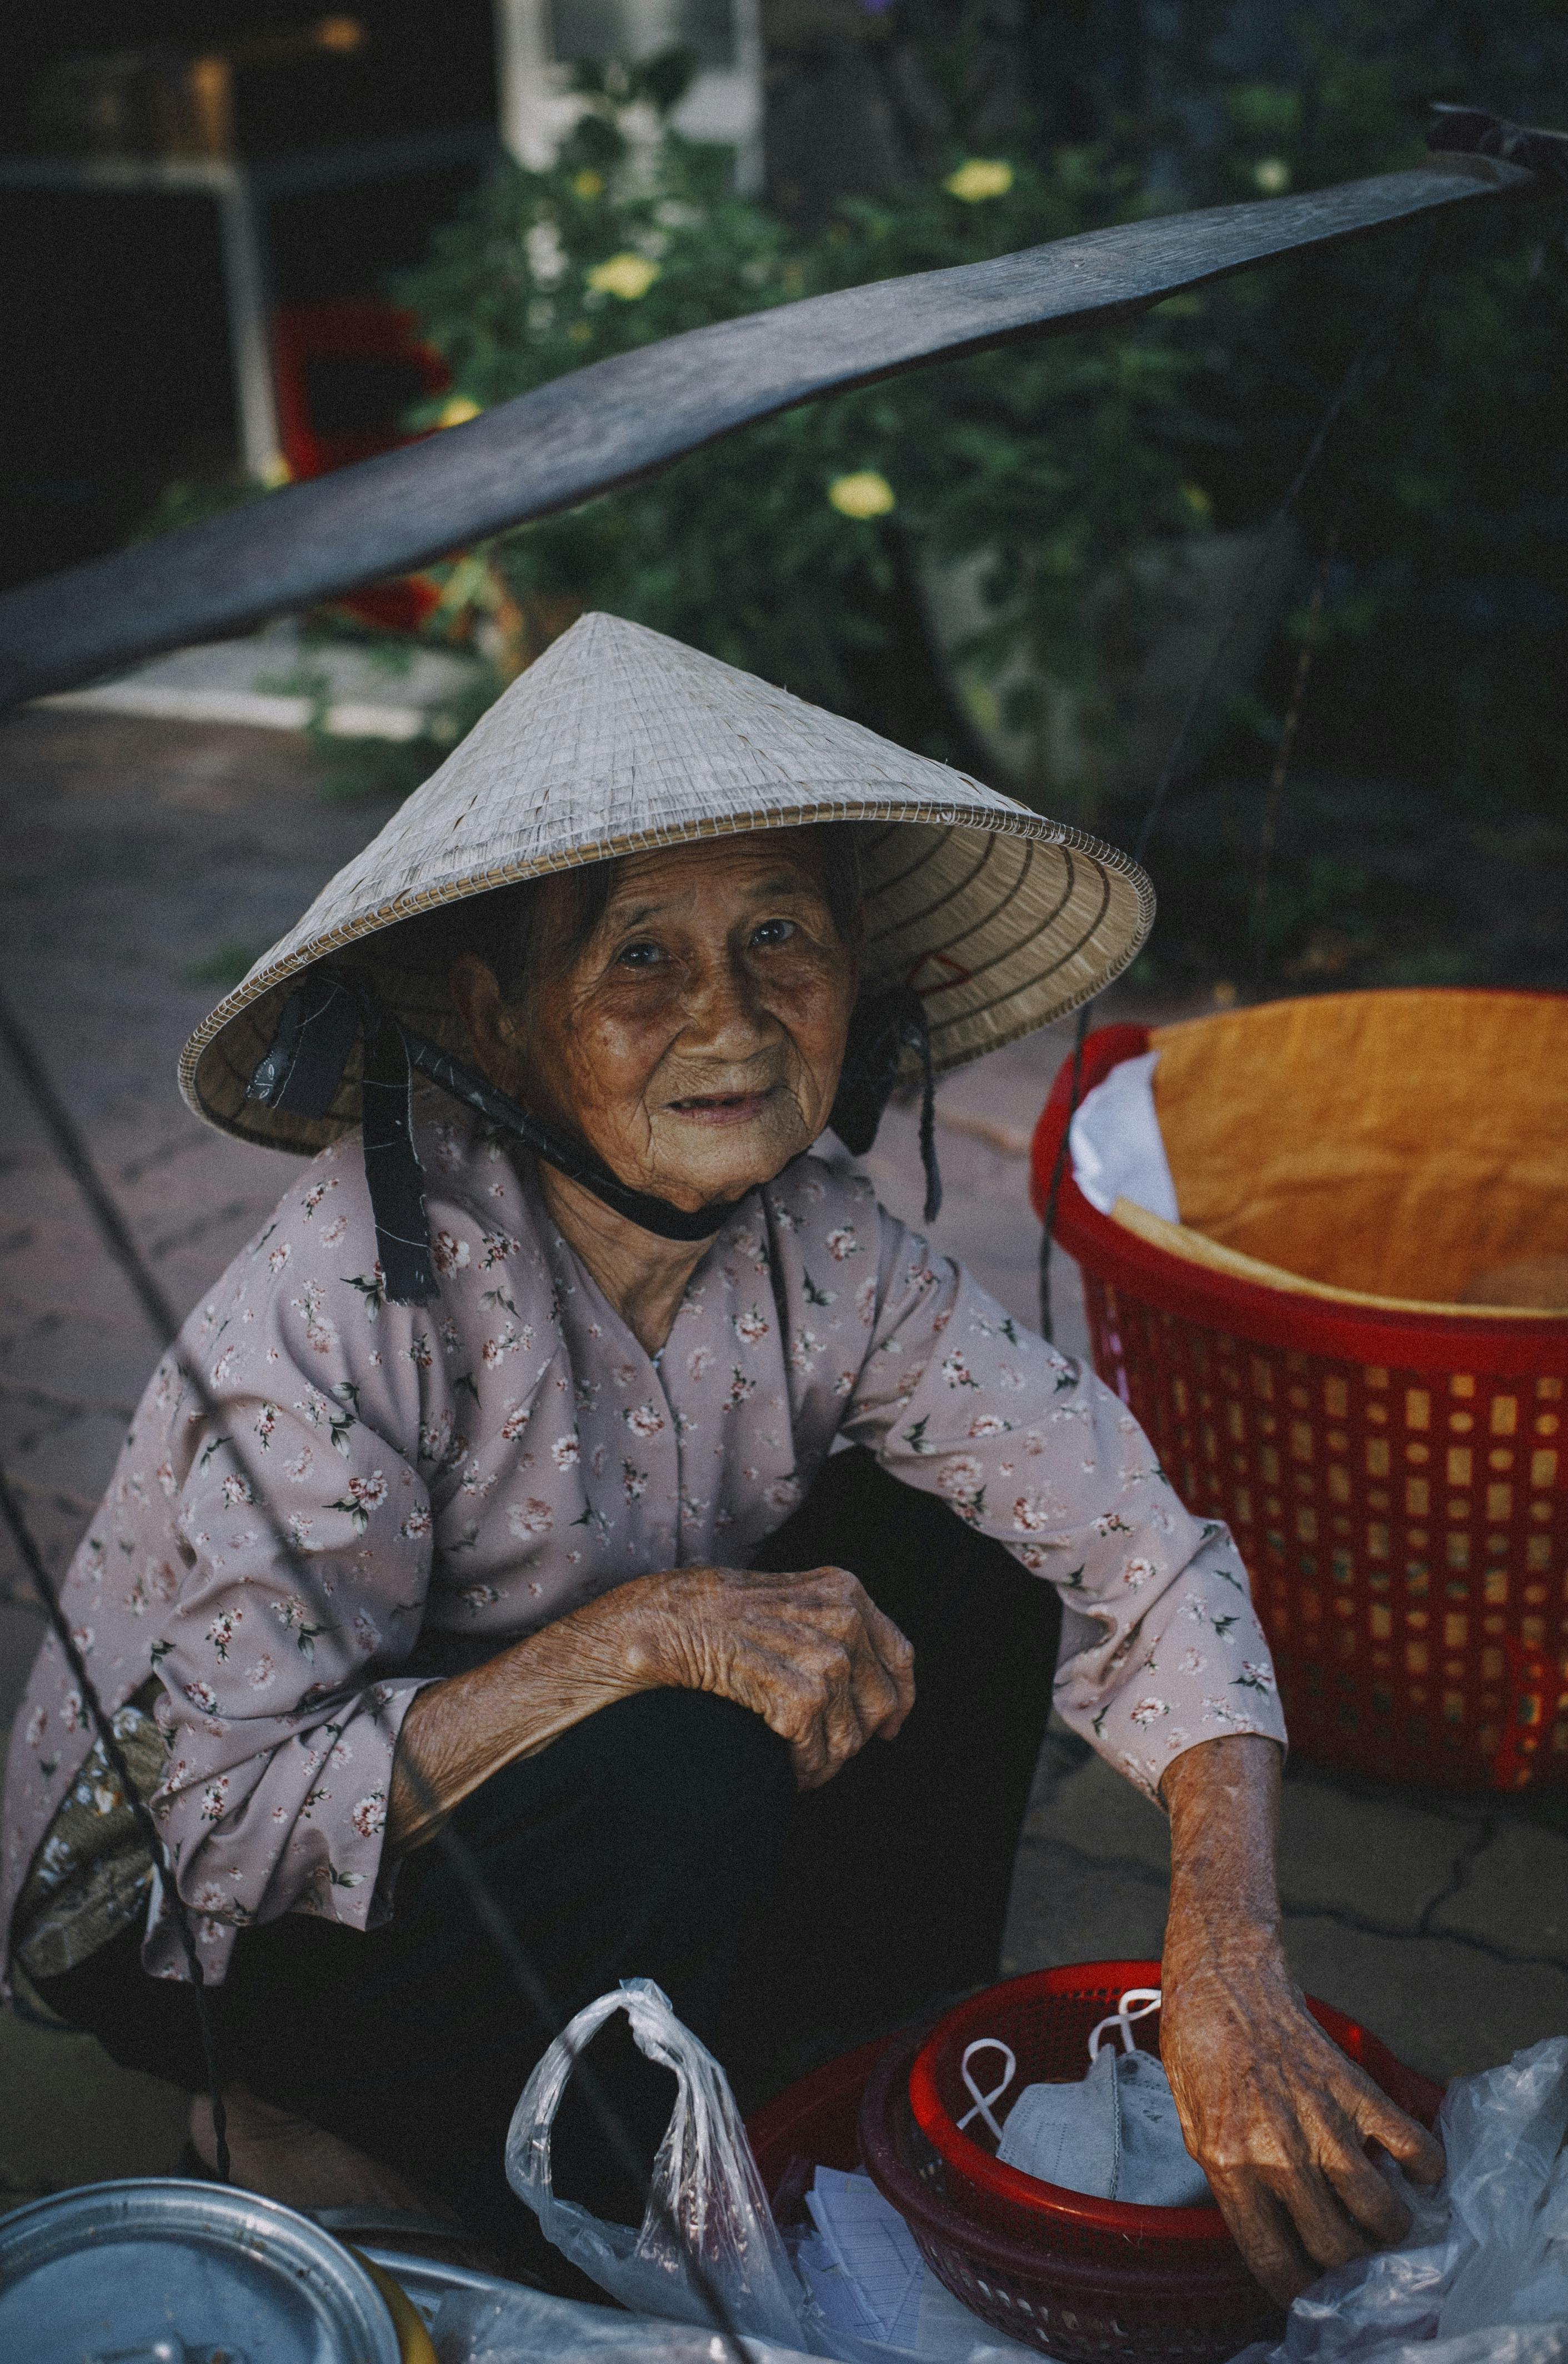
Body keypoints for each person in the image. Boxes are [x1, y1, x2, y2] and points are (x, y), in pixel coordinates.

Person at [1, 614, 1441, 2302]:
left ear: (851, 971)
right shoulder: (362, 1282)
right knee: (684, 1738)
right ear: (500, 1013)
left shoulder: (825, 1250)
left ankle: (836, 2067)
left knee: (961, 1547)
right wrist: (635, 1639)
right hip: (200, 1901)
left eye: (781, 935)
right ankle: (336, 2132)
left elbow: (1140, 1544)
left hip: (552, 1804)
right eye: (639, 957)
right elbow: (219, 1806)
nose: (733, 1017)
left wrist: (1230, 1951)